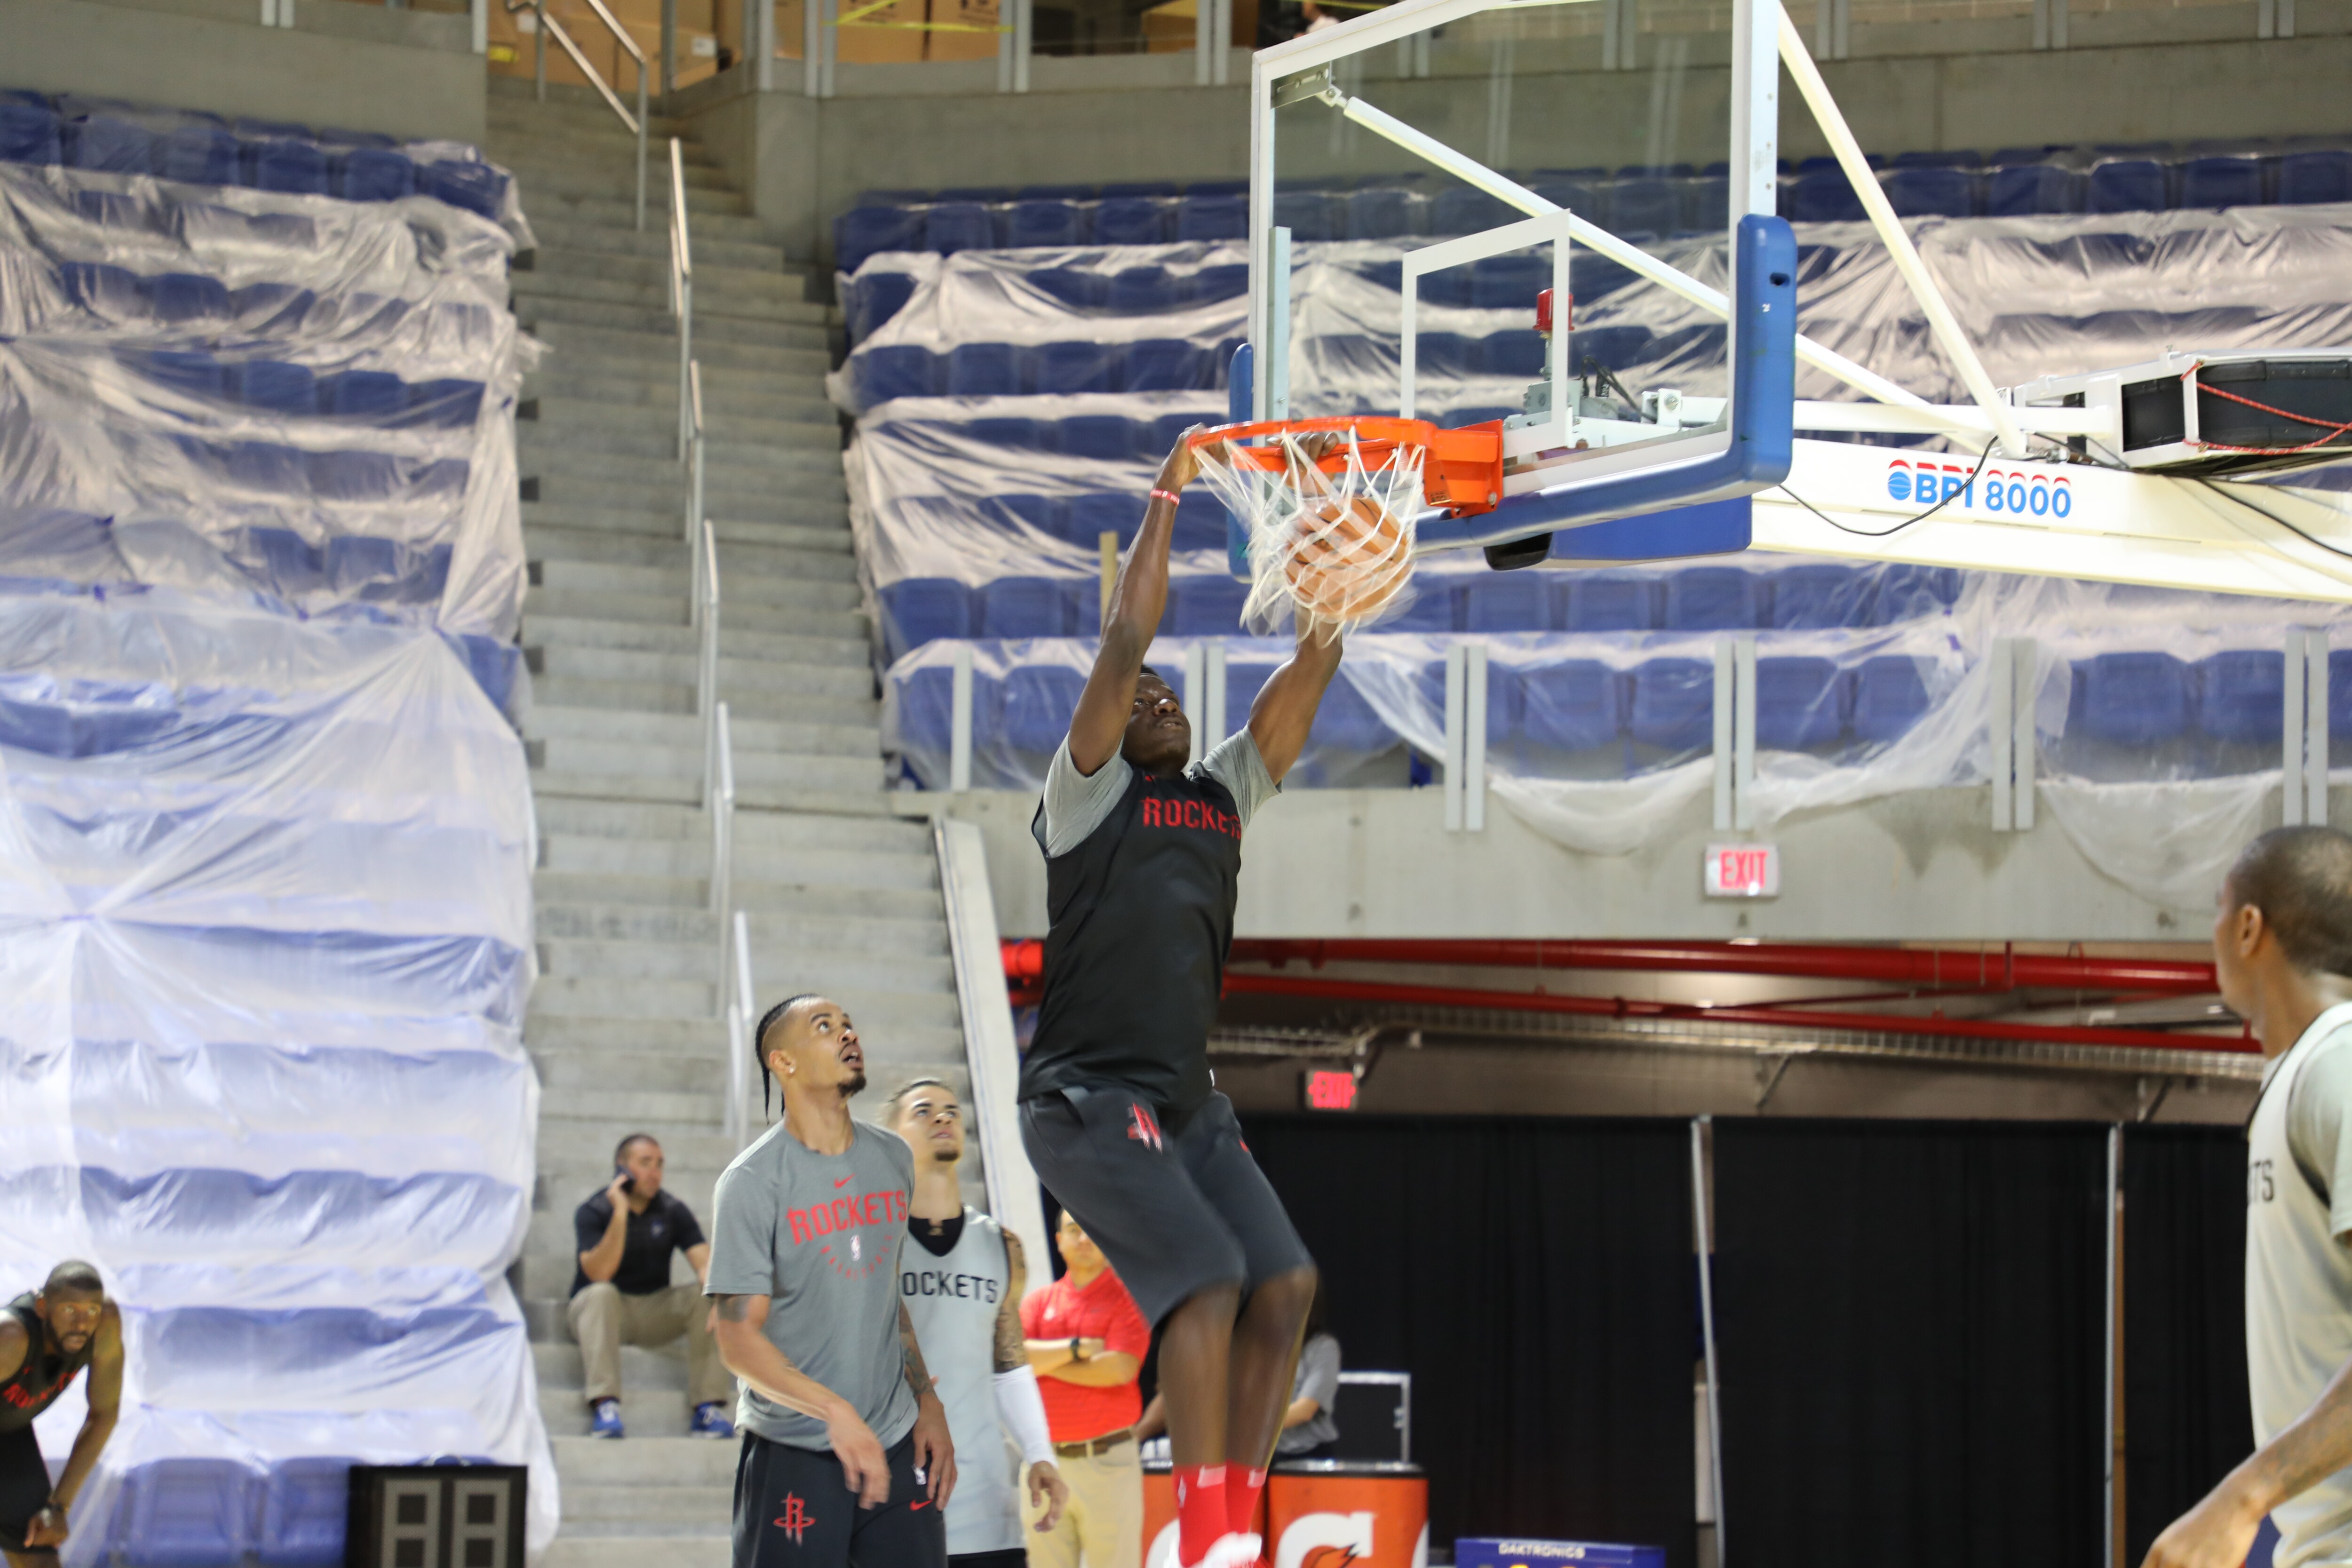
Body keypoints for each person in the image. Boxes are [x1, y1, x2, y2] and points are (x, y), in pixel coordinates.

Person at [1018, 431, 1333, 1568]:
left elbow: (1293, 704)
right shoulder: (1090, 795)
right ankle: (1207, 1540)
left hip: (1184, 1101)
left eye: (1166, 697)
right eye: (1140, 697)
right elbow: (1124, 638)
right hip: (1084, 1096)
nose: (1155, 696)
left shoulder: (1222, 792)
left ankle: (1228, 1516)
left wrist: (1333, 603)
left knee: (1285, 1277)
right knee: (1203, 1281)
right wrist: (1169, 492)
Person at [2145, 827, 2352, 1568]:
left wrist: (2243, 1496)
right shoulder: (2304, 1075)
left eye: (2216, 910)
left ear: (2249, 927)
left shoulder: (2340, 1068)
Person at [707, 994, 956, 1568]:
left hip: (894, 1439)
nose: (848, 1035)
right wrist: (832, 1412)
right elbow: (736, 1339)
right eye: (825, 1027)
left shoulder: (893, 1158)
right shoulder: (750, 1182)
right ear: (783, 1062)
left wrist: (927, 1401)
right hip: (796, 1449)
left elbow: (885, 1296)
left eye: (848, 1025)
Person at [884, 1077, 1070, 1567]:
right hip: (892, 1500)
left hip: (986, 1505)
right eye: (923, 1111)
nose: (943, 1118)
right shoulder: (873, 1240)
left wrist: (1039, 1453)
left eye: (952, 1110)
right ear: (890, 1135)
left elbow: (1008, 1364)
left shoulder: (1000, 1245)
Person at [570, 1132, 735, 1439]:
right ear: (622, 1168)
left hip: (652, 1309)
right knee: (601, 1294)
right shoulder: (594, 1210)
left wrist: (716, 1292)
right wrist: (620, 1211)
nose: (654, 1172)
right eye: (645, 1163)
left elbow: (705, 1263)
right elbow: (599, 1272)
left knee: (709, 1295)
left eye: (659, 1164)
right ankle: (605, 1404)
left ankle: (707, 1409)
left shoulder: (672, 1209)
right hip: (600, 1310)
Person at [1020, 1214, 1152, 1568]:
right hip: (1043, 1462)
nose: (1084, 1239)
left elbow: (1119, 1369)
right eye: (1075, 1230)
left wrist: (1046, 1361)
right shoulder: (1037, 1302)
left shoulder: (1129, 1299)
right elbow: (1016, 1363)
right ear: (1059, 1238)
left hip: (1107, 1460)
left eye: (1093, 1229)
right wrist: (1080, 1349)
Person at [0, 1261, 122, 1566]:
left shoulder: (104, 1326)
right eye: (69, 1310)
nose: (82, 1323)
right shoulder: (11, 1338)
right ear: (42, 1307)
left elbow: (104, 1413)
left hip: (9, 1434)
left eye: (90, 1311)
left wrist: (58, 1507)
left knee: (40, 1549)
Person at [1273, 1280, 1340, 1462]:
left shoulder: (1324, 1348)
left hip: (1308, 1458)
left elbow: (1305, 1410)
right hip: (1262, 1457)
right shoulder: (1261, 1350)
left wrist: (1252, 1428)